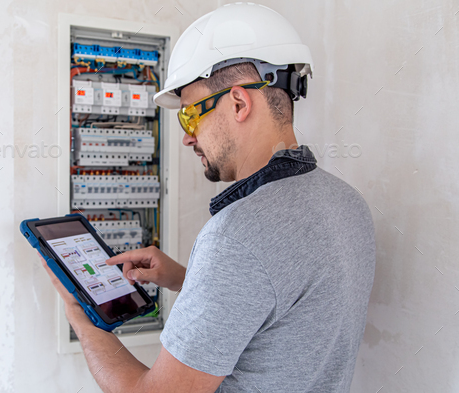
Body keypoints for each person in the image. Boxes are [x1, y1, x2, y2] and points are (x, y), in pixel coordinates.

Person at [40, 3, 376, 392]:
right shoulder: (348, 203)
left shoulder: (238, 236)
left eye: (189, 115)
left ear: (238, 103)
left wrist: (80, 313)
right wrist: (191, 279)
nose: (186, 136)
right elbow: (287, 306)